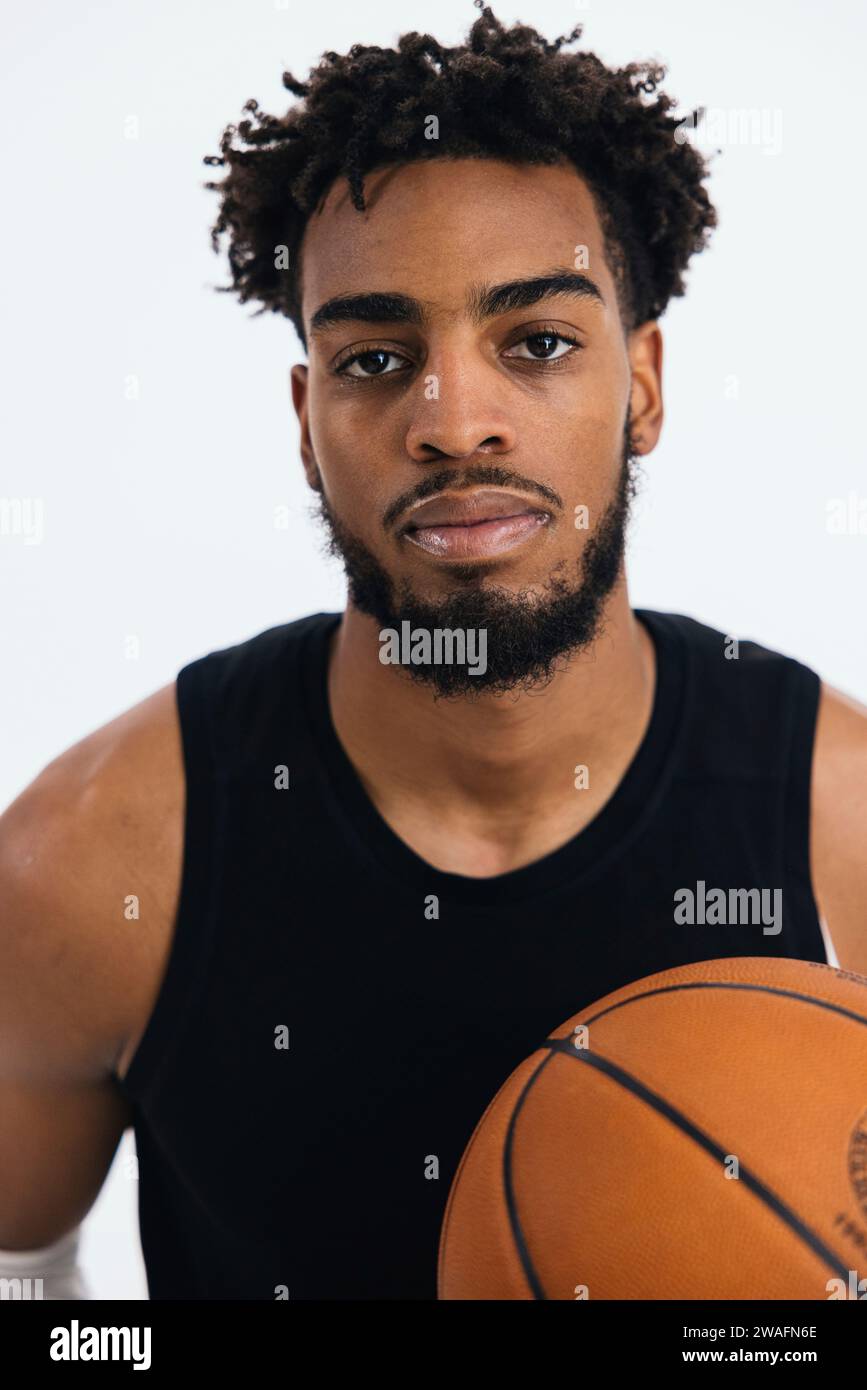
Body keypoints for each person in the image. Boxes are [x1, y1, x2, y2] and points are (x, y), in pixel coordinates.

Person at [2, 3, 865, 1301]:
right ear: (309, 415)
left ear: (642, 385)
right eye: (376, 357)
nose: (455, 420)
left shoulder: (844, 833)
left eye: (536, 342)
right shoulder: (91, 864)